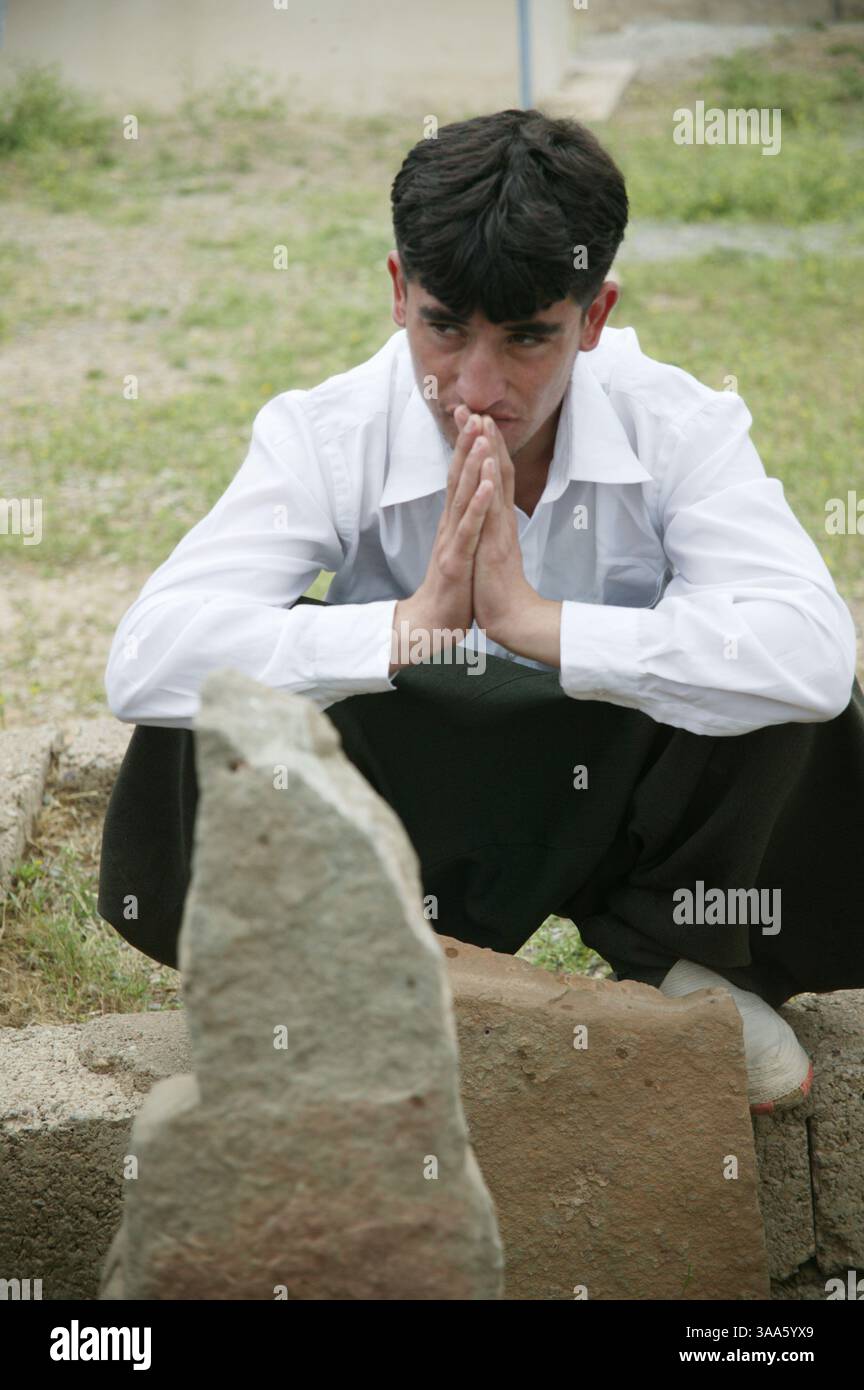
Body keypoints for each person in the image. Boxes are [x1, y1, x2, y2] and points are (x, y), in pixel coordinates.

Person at [99, 108, 863, 1116]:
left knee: (787, 689)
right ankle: (356, 973)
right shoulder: (327, 434)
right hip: (417, 821)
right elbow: (146, 656)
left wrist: (546, 627)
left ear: (593, 318)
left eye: (530, 337)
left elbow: (811, 651)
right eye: (445, 325)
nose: (476, 385)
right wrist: (401, 628)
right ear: (397, 293)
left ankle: (687, 957)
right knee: (214, 697)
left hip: (616, 808)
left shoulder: (679, 423)